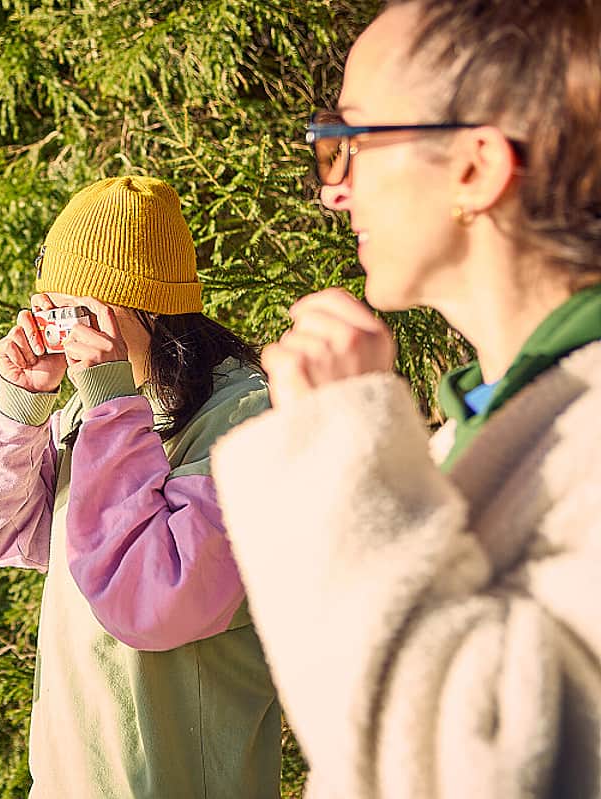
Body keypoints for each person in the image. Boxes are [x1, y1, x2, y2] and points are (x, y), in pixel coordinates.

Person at [210, 1, 601, 797]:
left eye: (347, 143)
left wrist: (336, 448)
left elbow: (487, 767)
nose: (333, 192)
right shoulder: (493, 417)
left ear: (475, 167)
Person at [0, 176, 281, 798]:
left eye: (73, 314)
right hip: (70, 776)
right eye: (44, 310)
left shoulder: (248, 421)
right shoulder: (92, 408)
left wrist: (110, 408)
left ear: (146, 309)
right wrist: (22, 405)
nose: (56, 332)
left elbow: (159, 600)